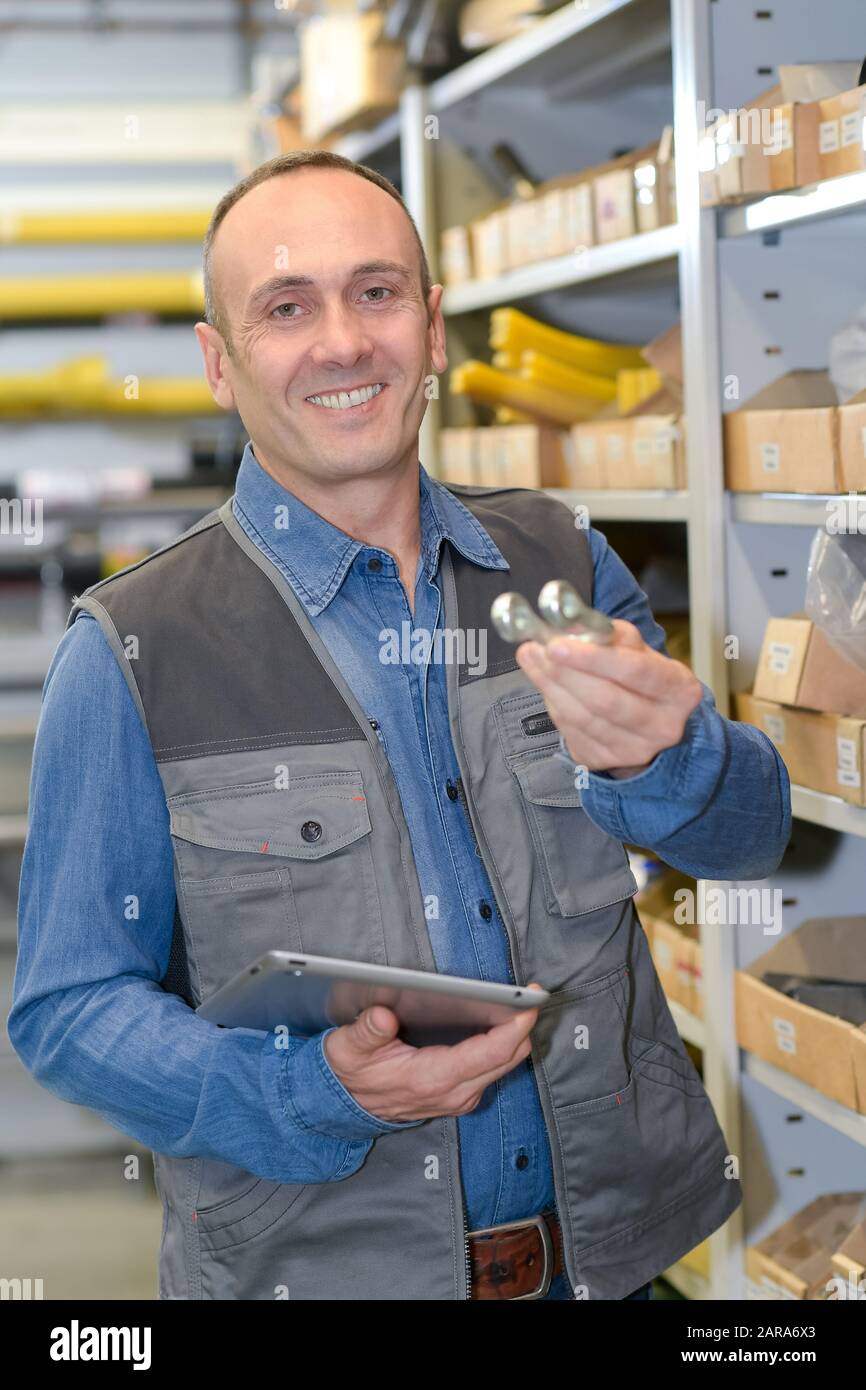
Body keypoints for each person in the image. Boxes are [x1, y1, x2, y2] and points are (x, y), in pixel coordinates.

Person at [10, 151, 791, 1302]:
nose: (340, 341)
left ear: (431, 330)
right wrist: (309, 1092)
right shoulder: (133, 648)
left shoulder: (559, 559)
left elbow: (748, 839)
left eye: (375, 293)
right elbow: (69, 1011)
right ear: (220, 363)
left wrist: (678, 757)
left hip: (605, 1266)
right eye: (286, 307)